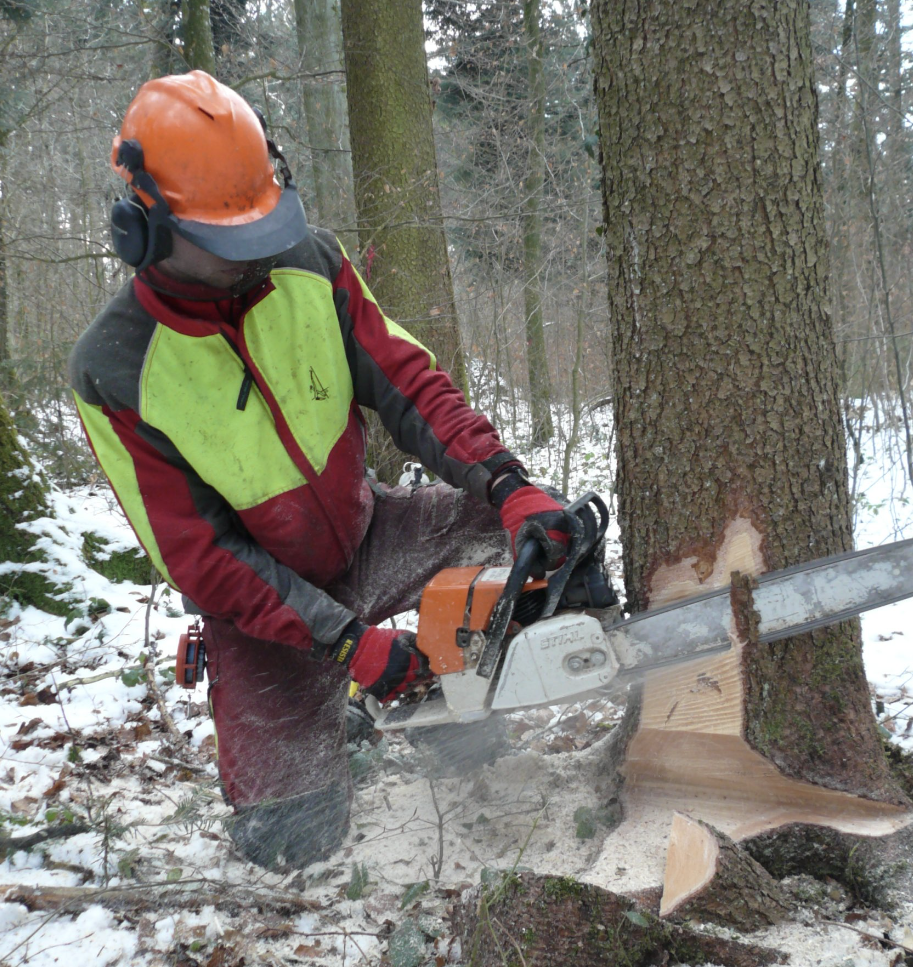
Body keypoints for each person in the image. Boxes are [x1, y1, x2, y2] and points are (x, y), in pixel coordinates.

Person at [69, 70, 569, 869]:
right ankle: (343, 716)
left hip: (368, 529)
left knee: (517, 535)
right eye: (227, 241)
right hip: (267, 613)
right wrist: (351, 646)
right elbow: (202, 559)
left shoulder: (309, 263)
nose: (254, 256)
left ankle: (459, 708)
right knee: (293, 844)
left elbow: (410, 386)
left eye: (262, 227)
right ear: (145, 229)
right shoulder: (117, 367)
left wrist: (508, 484)